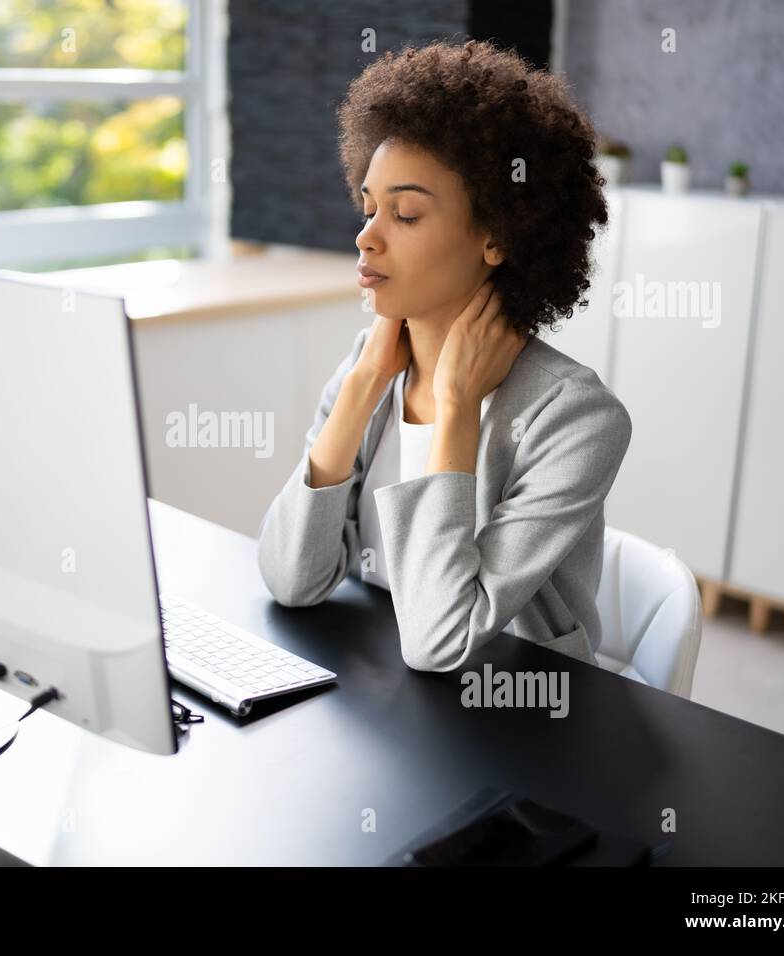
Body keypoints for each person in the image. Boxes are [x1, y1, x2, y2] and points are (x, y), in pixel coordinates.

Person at [256, 39, 631, 672]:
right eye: (369, 207)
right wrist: (360, 390)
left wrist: (454, 411)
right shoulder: (368, 366)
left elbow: (440, 642)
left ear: (495, 237)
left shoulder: (578, 418)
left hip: (521, 715)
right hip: (391, 695)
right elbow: (291, 580)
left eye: (404, 214)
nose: (365, 236)